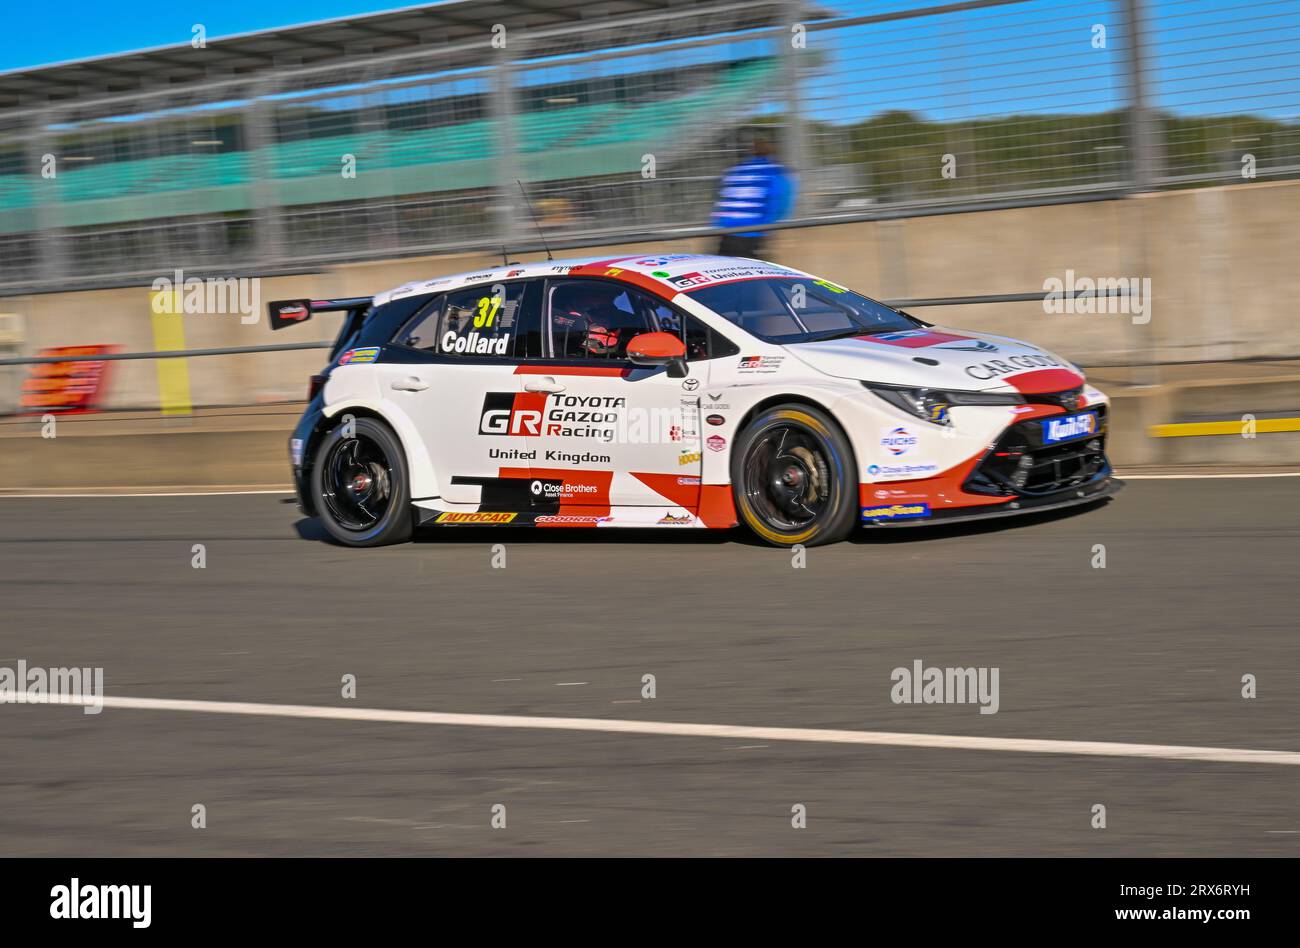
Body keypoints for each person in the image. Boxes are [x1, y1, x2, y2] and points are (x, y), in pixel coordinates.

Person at [711, 137, 796, 259]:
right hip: (751, 230)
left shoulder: (736, 169)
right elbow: (781, 202)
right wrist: (770, 226)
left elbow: (722, 196)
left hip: (726, 229)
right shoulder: (775, 171)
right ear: (771, 153)